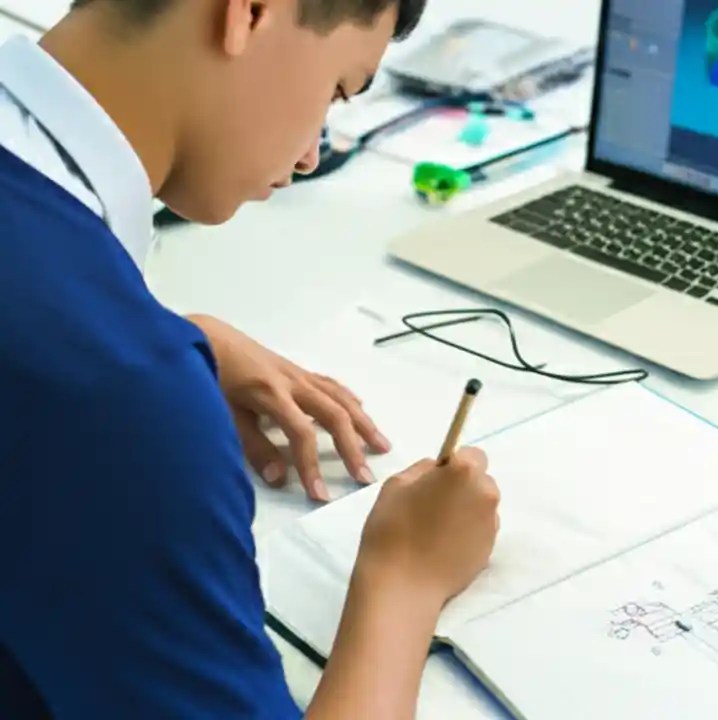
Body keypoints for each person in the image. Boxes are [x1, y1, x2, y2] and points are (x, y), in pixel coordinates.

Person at [0, 0, 501, 717]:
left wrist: (161, 330)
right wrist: (407, 579)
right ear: (252, 11)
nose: (311, 154)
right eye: (337, 90)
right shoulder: (116, 399)